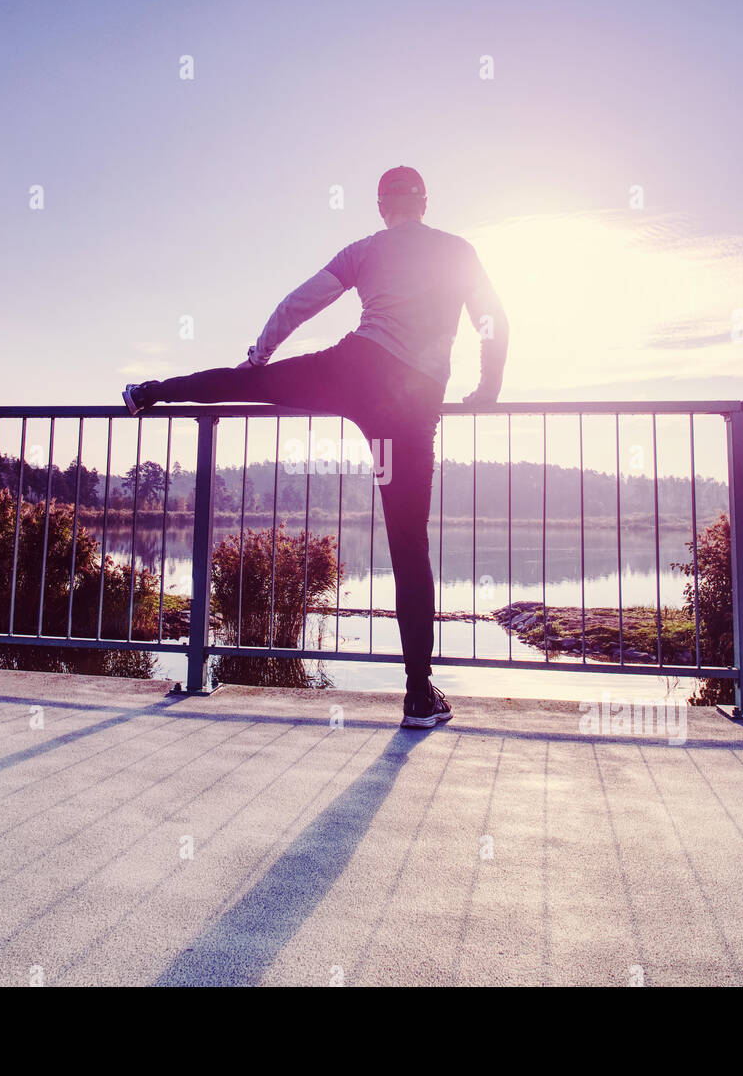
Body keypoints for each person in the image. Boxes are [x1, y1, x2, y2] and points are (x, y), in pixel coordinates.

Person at [124, 166, 509, 728]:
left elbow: (299, 302)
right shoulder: (457, 250)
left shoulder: (365, 250)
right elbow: (494, 320)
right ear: (424, 204)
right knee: (408, 543)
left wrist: (260, 355)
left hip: (354, 373)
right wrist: (488, 389)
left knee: (247, 384)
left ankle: (147, 393)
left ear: (382, 207)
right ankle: (418, 695)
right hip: (409, 405)